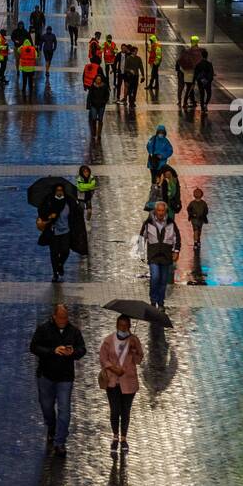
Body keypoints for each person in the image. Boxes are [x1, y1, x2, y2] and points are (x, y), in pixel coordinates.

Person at [29, 304, 87, 458]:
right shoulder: (43, 329)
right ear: (54, 316)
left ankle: (59, 442)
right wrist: (52, 351)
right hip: (46, 376)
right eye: (60, 317)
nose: (63, 320)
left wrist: (73, 352)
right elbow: (33, 347)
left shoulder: (74, 331)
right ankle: (52, 426)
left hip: (65, 378)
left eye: (65, 318)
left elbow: (82, 349)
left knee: (64, 411)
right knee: (46, 407)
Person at [99, 314, 143, 455]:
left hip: (128, 382)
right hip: (112, 382)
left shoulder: (134, 341)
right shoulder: (108, 341)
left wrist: (135, 349)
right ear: (116, 326)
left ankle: (124, 437)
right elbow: (103, 358)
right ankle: (115, 436)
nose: (123, 328)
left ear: (129, 326)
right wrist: (113, 368)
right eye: (120, 326)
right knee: (115, 410)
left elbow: (138, 359)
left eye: (125, 326)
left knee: (125, 411)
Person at [37, 183, 88, 284]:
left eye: (61, 190)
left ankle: (60, 265)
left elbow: (76, 212)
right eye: (57, 190)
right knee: (54, 253)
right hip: (53, 232)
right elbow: (42, 212)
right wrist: (49, 216)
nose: (59, 192)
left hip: (66, 231)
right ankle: (55, 273)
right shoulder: (49, 201)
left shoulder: (69, 201)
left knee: (65, 251)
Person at [140, 200, 181, 309]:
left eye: (163, 210)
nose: (161, 213)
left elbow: (177, 237)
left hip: (166, 256)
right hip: (153, 256)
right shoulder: (148, 223)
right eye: (159, 210)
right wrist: (142, 254)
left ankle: (161, 302)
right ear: (155, 211)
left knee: (163, 280)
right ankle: (153, 301)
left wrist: (176, 251)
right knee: (155, 277)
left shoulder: (171, 223)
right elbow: (142, 238)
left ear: (165, 211)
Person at [86, 70, 110, 141]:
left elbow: (107, 95)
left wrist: (104, 101)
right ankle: (94, 132)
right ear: (95, 80)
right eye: (97, 79)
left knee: (100, 119)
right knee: (93, 119)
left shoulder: (104, 86)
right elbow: (89, 96)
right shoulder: (92, 86)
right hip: (94, 105)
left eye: (99, 79)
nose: (98, 80)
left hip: (101, 106)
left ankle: (99, 133)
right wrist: (89, 105)